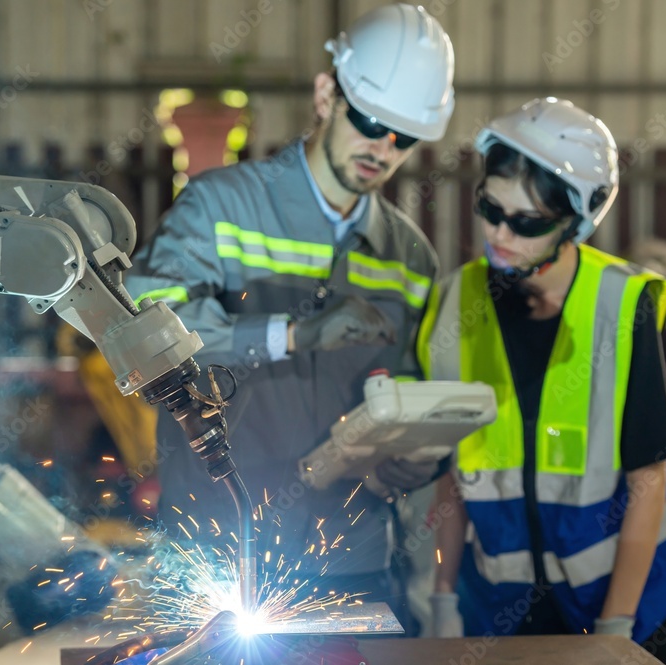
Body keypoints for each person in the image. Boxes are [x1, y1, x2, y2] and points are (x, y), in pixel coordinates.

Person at [124, 3, 455, 628]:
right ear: (327, 94)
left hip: (351, 561)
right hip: (220, 559)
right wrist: (290, 333)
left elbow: (404, 388)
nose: (383, 147)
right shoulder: (221, 209)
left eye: (404, 136)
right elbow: (145, 327)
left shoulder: (411, 257)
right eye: (371, 120)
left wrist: (412, 458)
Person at [419, 98, 666, 664]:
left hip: (631, 606)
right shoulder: (452, 306)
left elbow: (648, 478)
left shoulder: (620, 304)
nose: (500, 233)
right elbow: (451, 472)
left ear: (576, 220)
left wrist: (616, 628)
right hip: (501, 612)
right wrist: (443, 597)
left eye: (528, 221)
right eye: (490, 208)